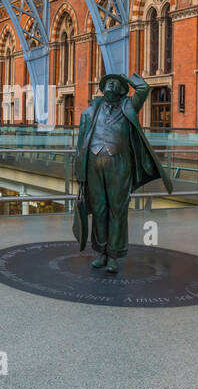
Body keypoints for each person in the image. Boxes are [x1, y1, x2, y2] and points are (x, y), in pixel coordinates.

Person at [73, 72, 174, 274]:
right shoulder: (90, 112)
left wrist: (127, 79)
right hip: (93, 165)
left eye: (115, 83)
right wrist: (79, 172)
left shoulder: (129, 106)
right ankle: (100, 251)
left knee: (117, 210)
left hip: (119, 164)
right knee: (100, 210)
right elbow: (80, 143)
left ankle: (114, 255)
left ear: (122, 89)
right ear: (102, 89)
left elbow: (144, 89)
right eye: (107, 82)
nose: (111, 85)